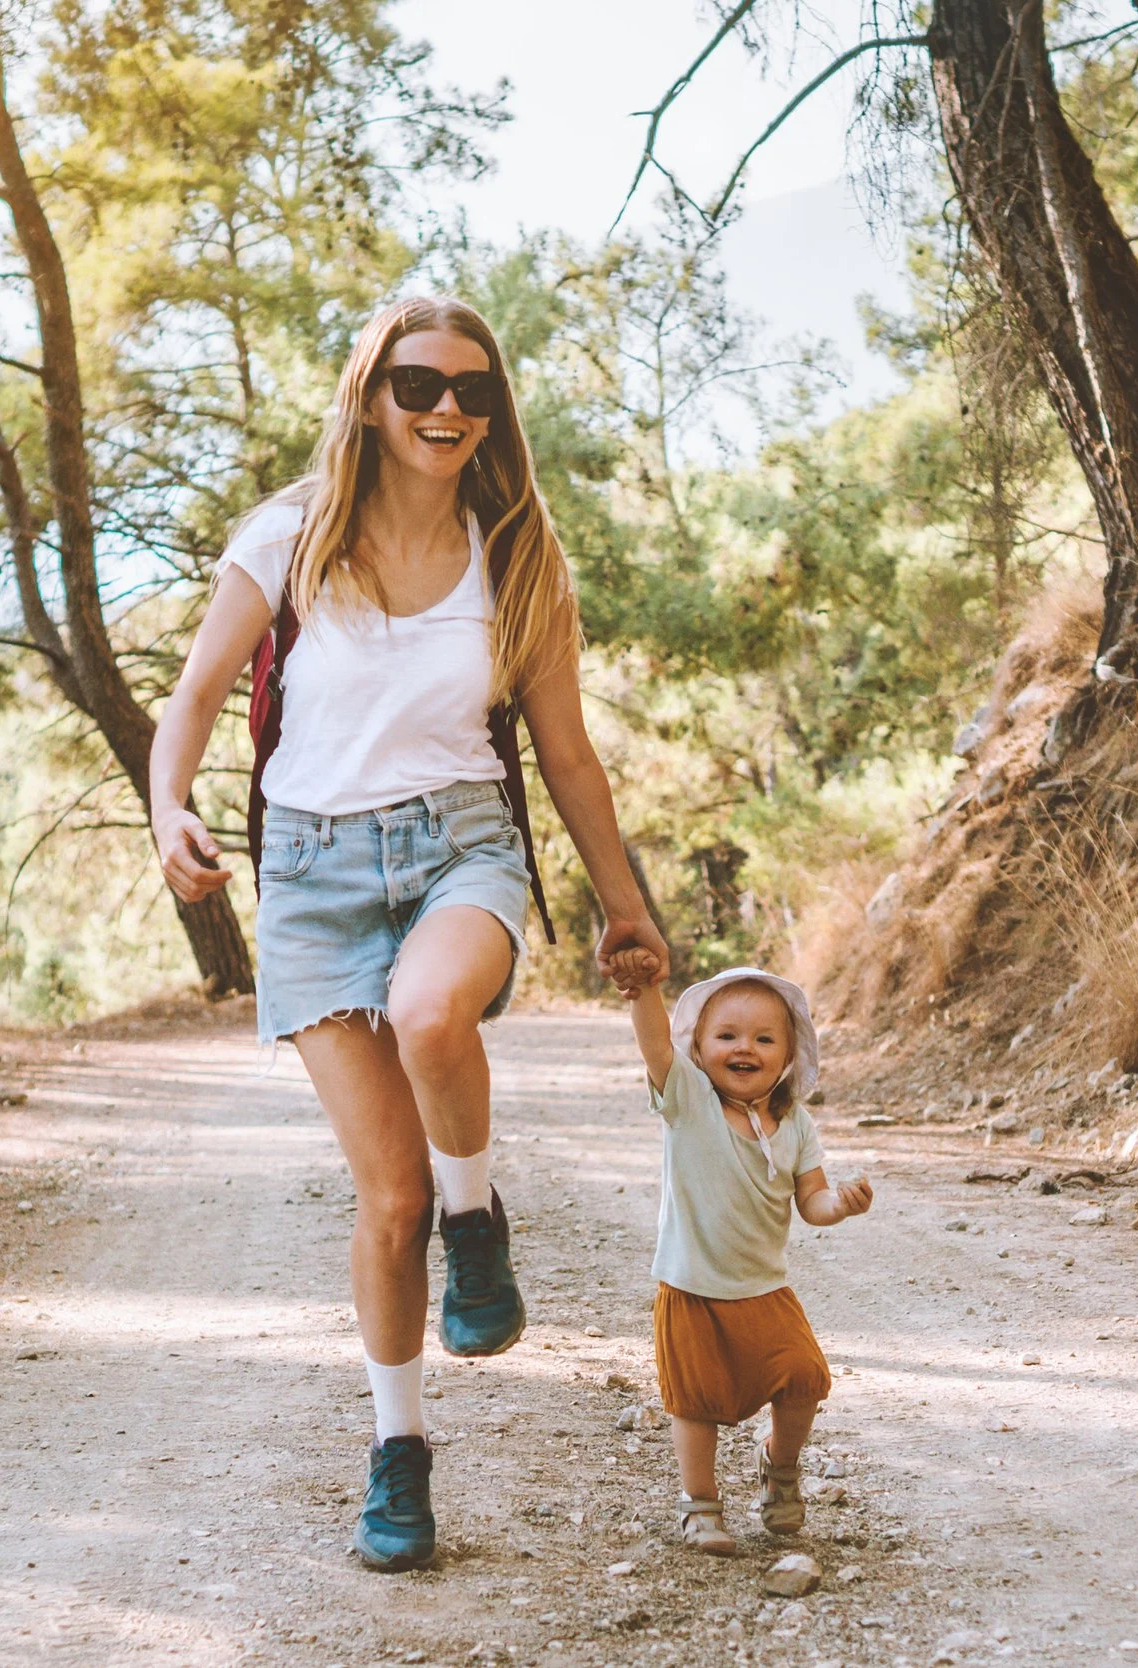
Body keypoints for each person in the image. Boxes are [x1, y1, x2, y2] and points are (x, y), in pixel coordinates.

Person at [147, 296, 669, 1572]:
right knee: (386, 1207)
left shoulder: (519, 552)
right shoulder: (289, 535)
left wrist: (624, 904)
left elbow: (565, 752)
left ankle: (477, 1217)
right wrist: (169, 806)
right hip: (313, 877)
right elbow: (196, 695)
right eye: (421, 385)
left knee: (436, 1015)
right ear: (370, 396)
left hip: (461, 845)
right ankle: (399, 1450)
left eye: (473, 393)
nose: (447, 410)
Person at [610, 954, 873, 1555]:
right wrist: (645, 989)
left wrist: (842, 1203)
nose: (744, 1048)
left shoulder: (796, 1124)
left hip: (763, 1288)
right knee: (695, 1401)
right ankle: (699, 1503)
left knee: (805, 1378)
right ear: (699, 1050)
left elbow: (812, 1202)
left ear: (788, 1054)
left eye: (763, 1038)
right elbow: (654, 1045)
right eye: (726, 1035)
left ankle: (779, 1468)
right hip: (692, 1285)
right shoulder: (689, 1103)